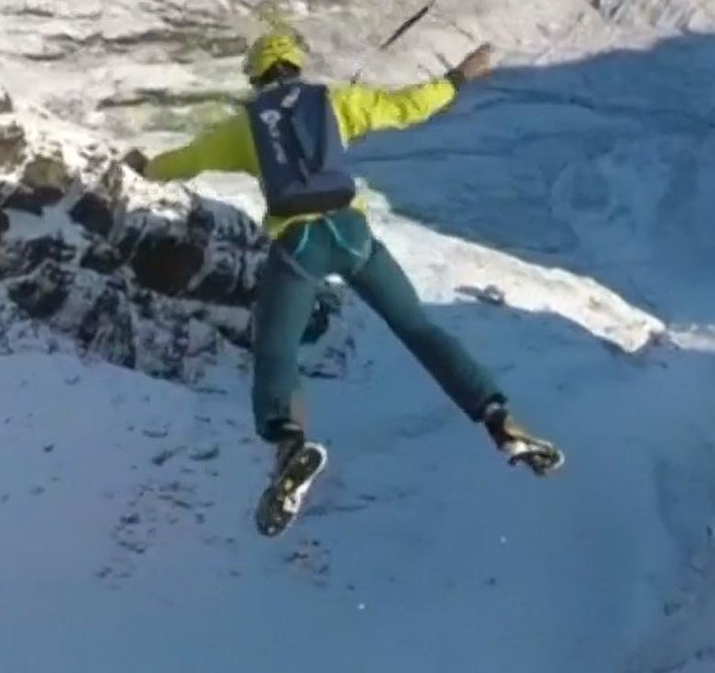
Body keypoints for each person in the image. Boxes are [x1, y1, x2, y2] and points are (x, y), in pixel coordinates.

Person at [126, 32, 564, 527]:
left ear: (256, 76)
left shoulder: (244, 128)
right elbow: (408, 106)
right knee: (419, 329)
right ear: (295, 64)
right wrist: (461, 75)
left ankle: (290, 444)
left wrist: (145, 166)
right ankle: (499, 421)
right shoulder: (335, 102)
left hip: (298, 248)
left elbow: (187, 159)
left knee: (277, 350)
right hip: (353, 234)